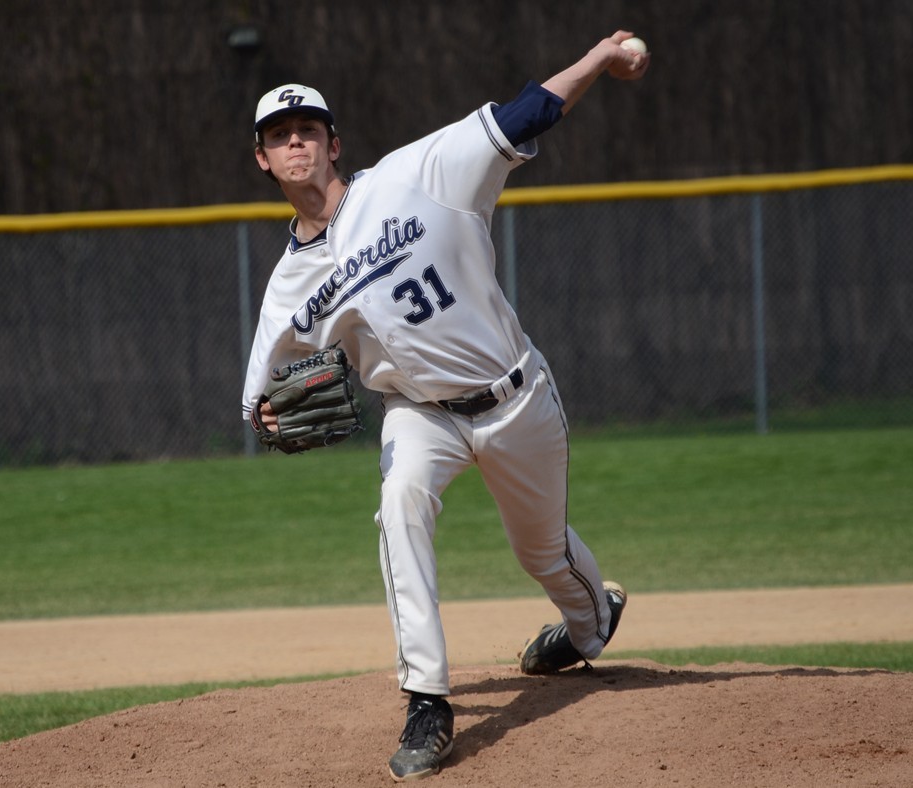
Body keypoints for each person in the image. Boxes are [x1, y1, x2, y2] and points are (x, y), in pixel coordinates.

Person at [240, 30, 650, 782]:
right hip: (419, 413)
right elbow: (261, 398)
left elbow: (525, 115)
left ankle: (594, 623)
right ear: (263, 160)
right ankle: (427, 700)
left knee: (543, 553)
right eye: (279, 136)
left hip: (514, 397)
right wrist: (267, 417)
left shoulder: (414, 175)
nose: (295, 144)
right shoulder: (286, 291)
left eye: (307, 130)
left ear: (335, 144)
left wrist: (596, 60)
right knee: (398, 502)